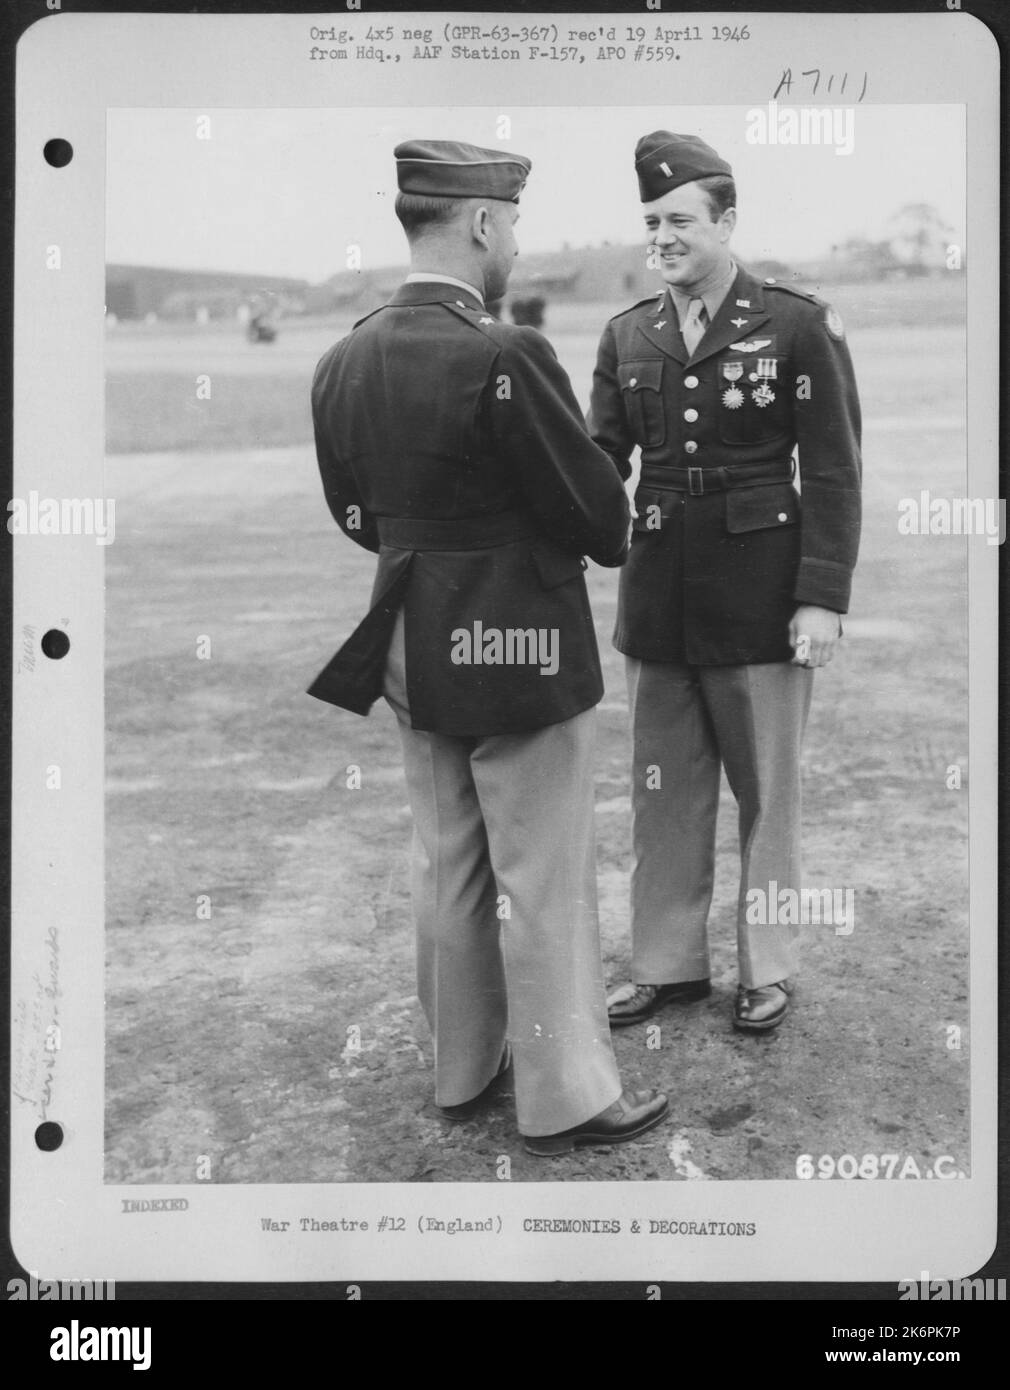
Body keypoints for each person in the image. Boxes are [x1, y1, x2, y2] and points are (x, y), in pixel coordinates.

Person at [308, 139, 667, 1155]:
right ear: (477, 224)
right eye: (508, 223)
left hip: (411, 642)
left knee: (446, 861)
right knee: (541, 873)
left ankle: (461, 1069)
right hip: (518, 645)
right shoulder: (504, 352)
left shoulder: (345, 353)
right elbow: (601, 520)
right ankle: (565, 1093)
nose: (512, 241)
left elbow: (353, 511)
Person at [588, 131, 861, 1034]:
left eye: (679, 220)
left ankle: (769, 964)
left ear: (727, 221)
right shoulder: (628, 332)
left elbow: (831, 471)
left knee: (767, 792)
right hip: (660, 591)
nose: (661, 237)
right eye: (650, 222)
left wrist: (821, 596)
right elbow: (600, 463)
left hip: (762, 592)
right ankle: (666, 964)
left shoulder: (794, 322)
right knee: (664, 788)